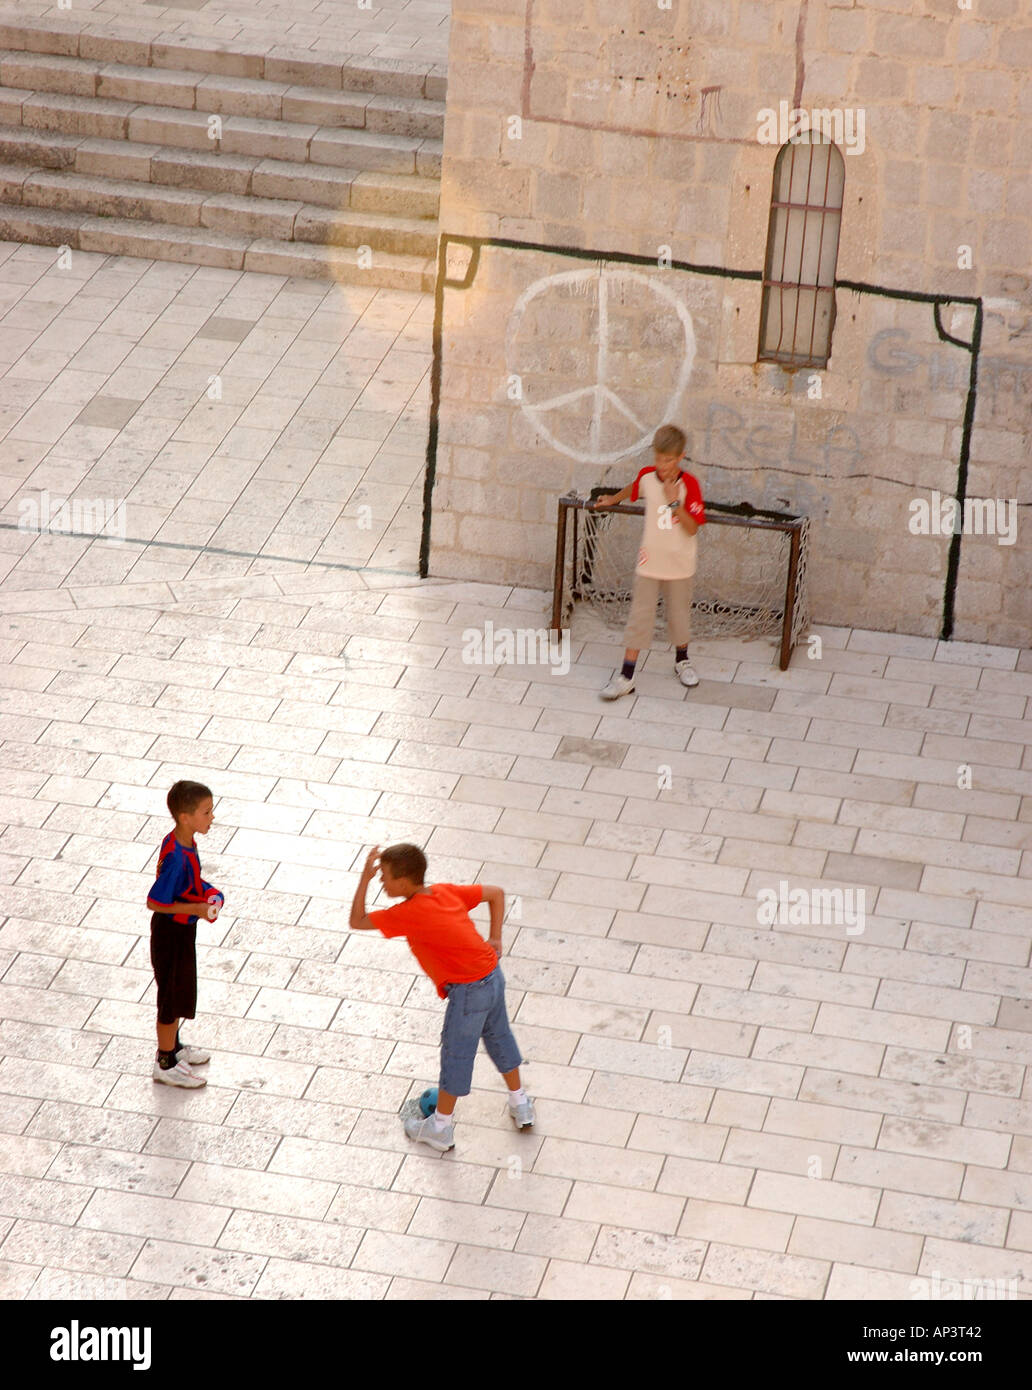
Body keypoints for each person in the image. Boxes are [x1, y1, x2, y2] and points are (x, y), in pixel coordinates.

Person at [349, 843, 534, 1152]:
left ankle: (440, 1127)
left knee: (456, 1055)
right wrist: (496, 937)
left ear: (404, 882)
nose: (382, 881)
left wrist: (363, 880)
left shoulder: (406, 913)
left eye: (385, 877)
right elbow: (496, 893)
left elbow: (357, 920)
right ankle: (521, 1104)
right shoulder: (444, 892)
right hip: (492, 975)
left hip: (468, 992)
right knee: (499, 1037)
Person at [594, 423, 706, 699]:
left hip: (680, 564)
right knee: (639, 617)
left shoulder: (689, 484)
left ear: (680, 457)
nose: (662, 465)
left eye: (668, 460)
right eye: (658, 458)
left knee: (678, 616)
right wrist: (612, 499)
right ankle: (626, 676)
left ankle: (682, 661)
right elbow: (634, 488)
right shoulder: (647, 477)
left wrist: (673, 503)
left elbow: (692, 528)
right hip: (649, 563)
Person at [145, 780, 222, 1089]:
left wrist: (208, 892)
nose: (212, 817)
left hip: (181, 930)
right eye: (206, 812)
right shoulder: (177, 856)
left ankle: (174, 1048)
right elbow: (155, 901)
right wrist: (197, 910)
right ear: (185, 816)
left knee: (179, 992)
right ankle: (164, 1062)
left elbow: (189, 884)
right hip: (170, 933)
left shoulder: (184, 842)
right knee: (169, 999)